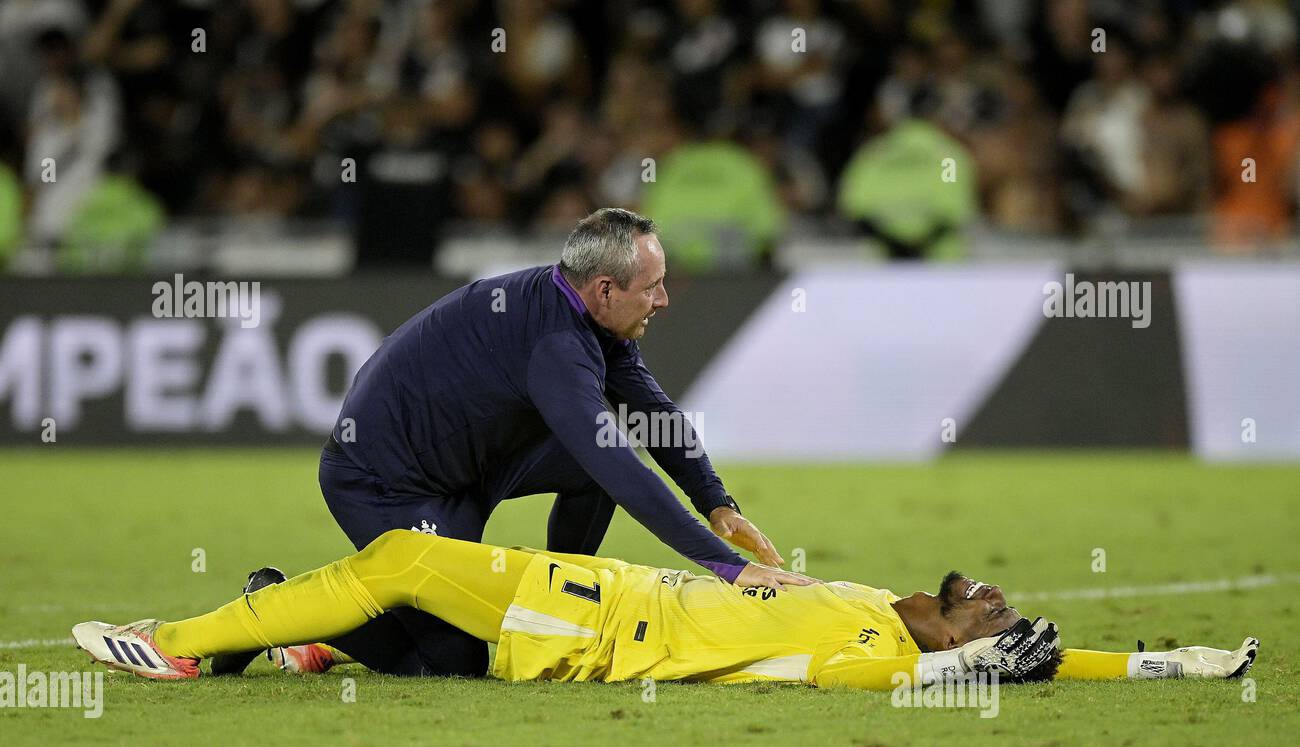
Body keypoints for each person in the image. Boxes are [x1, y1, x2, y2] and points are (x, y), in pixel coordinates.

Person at [214, 207, 802, 680]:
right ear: (604, 290)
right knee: (452, 662)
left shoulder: (588, 317)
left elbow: (657, 418)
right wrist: (726, 567)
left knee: (587, 470)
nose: (665, 299)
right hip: (386, 484)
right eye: (654, 286)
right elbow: (620, 465)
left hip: (470, 469)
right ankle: (280, 606)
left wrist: (718, 504)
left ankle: (567, 601)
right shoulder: (556, 347)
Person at [74, 530, 1259, 690]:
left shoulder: (873, 644)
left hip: (581, 622)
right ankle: (289, 624)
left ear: (961, 642)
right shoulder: (872, 596)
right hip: (596, 594)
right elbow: (1062, 658)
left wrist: (971, 671)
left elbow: (856, 683)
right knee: (394, 615)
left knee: (396, 555)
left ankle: (173, 647)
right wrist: (1181, 662)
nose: (1001, 600)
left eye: (997, 617)